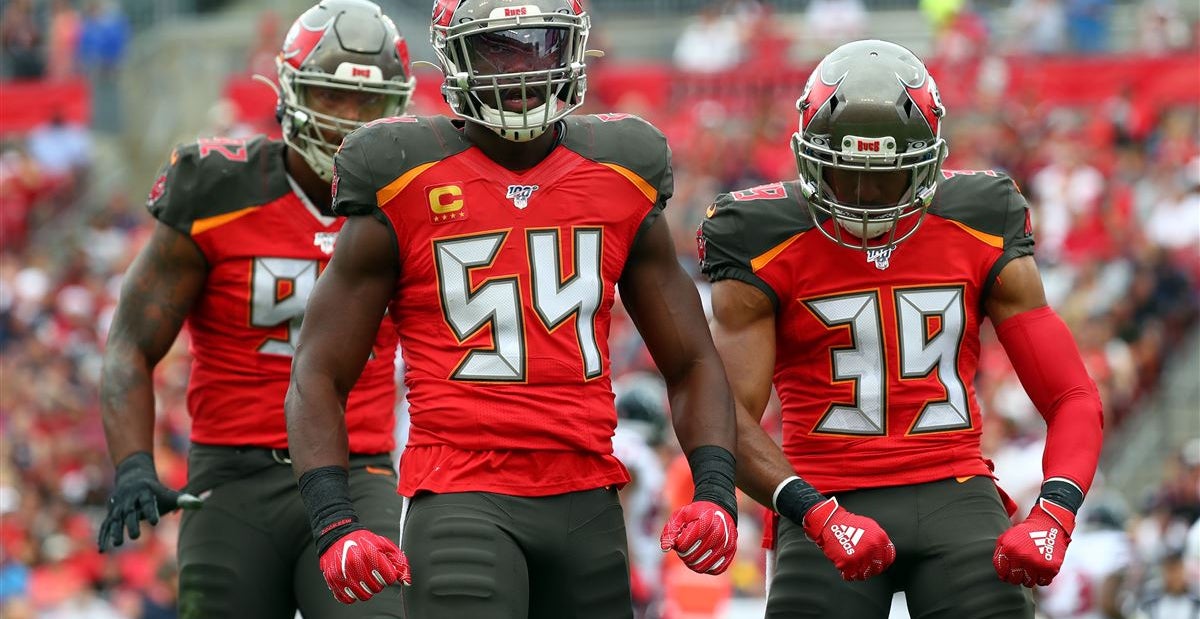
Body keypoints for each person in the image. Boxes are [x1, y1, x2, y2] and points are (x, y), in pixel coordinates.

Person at [284, 0, 740, 615]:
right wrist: (334, 520)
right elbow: (317, 370)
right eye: (498, 48)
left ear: (572, 49)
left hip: (587, 497)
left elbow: (693, 361)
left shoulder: (621, 173)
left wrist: (715, 488)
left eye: (541, 44)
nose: (522, 68)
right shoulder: (399, 177)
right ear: (456, 57)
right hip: (460, 492)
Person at [698, 39, 1104, 618]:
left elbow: (1072, 395)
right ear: (809, 157)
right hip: (824, 492)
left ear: (927, 164)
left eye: (886, 178)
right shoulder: (761, 235)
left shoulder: (979, 219)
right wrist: (813, 512)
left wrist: (1055, 511)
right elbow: (725, 414)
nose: (865, 195)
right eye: (845, 174)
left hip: (955, 487)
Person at [95, 2, 415, 618]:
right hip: (232, 477)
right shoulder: (215, 188)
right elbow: (131, 341)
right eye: (331, 95)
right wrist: (133, 462)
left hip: (358, 473)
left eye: (368, 103)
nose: (348, 120)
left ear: (396, 106)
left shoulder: (410, 197)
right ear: (290, 90)